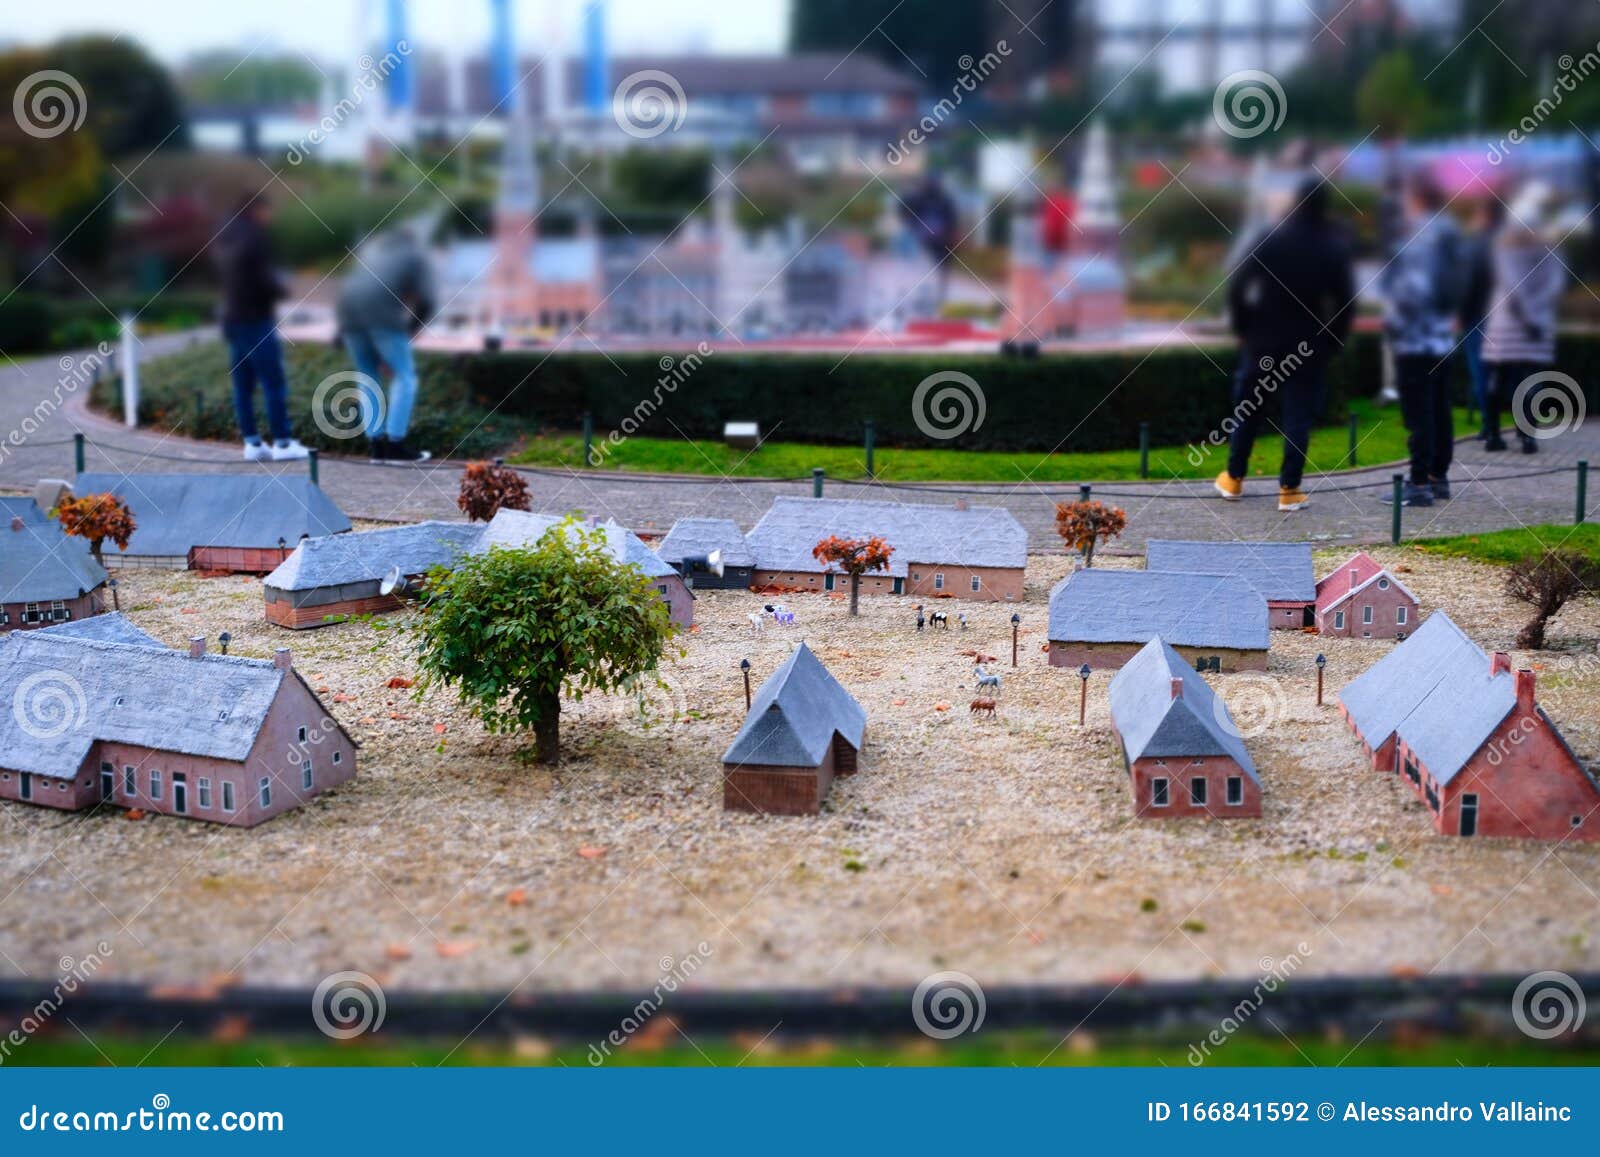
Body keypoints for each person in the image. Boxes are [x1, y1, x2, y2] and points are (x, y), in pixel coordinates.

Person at [1214, 177, 1355, 512]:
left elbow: (1237, 287)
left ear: (1295, 201)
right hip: (1307, 343)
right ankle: (1289, 489)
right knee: (1298, 414)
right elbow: (1345, 303)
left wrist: (1244, 327)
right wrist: (1332, 341)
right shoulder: (1332, 248)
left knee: (1247, 408)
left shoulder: (1272, 239)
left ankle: (1234, 478)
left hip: (1263, 339)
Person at [1379, 173, 1465, 508]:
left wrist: (1395, 325)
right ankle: (1438, 477)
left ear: (1415, 199)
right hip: (1443, 338)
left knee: (1419, 413)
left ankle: (1417, 483)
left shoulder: (1417, 237)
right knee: (1441, 409)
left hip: (1415, 341)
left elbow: (1408, 291)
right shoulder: (1451, 233)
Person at [214, 194, 308, 462]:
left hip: (233, 319)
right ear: (255, 209)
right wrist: (281, 289)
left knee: (243, 385)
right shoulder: (254, 238)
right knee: (273, 382)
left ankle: (252, 443)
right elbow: (262, 279)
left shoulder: (225, 235)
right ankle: (282, 442)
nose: (270, 216)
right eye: (268, 210)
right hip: (256, 319)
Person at [335, 220, 438, 463]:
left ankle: (377, 447)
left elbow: (355, 288)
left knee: (368, 376)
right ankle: (395, 445)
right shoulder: (415, 256)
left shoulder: (374, 253)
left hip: (348, 313)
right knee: (405, 376)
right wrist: (411, 331)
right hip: (382, 316)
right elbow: (426, 300)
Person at [1481, 182, 1565, 454]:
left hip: (1507, 320)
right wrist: (1537, 314)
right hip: (1537, 321)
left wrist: (1527, 312)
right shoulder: (1550, 244)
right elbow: (1555, 282)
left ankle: (1493, 434)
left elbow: (1511, 284)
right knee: (1533, 378)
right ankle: (1527, 436)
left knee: (1499, 376)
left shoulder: (1504, 243)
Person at [1458, 198, 1503, 439]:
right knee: (1515, 373)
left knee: (1482, 373)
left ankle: (1490, 426)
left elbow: (1468, 284)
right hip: (1509, 320)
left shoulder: (1476, 245)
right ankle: (1527, 431)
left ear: (1484, 215)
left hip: (1479, 318)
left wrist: (1463, 315)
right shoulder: (1513, 244)